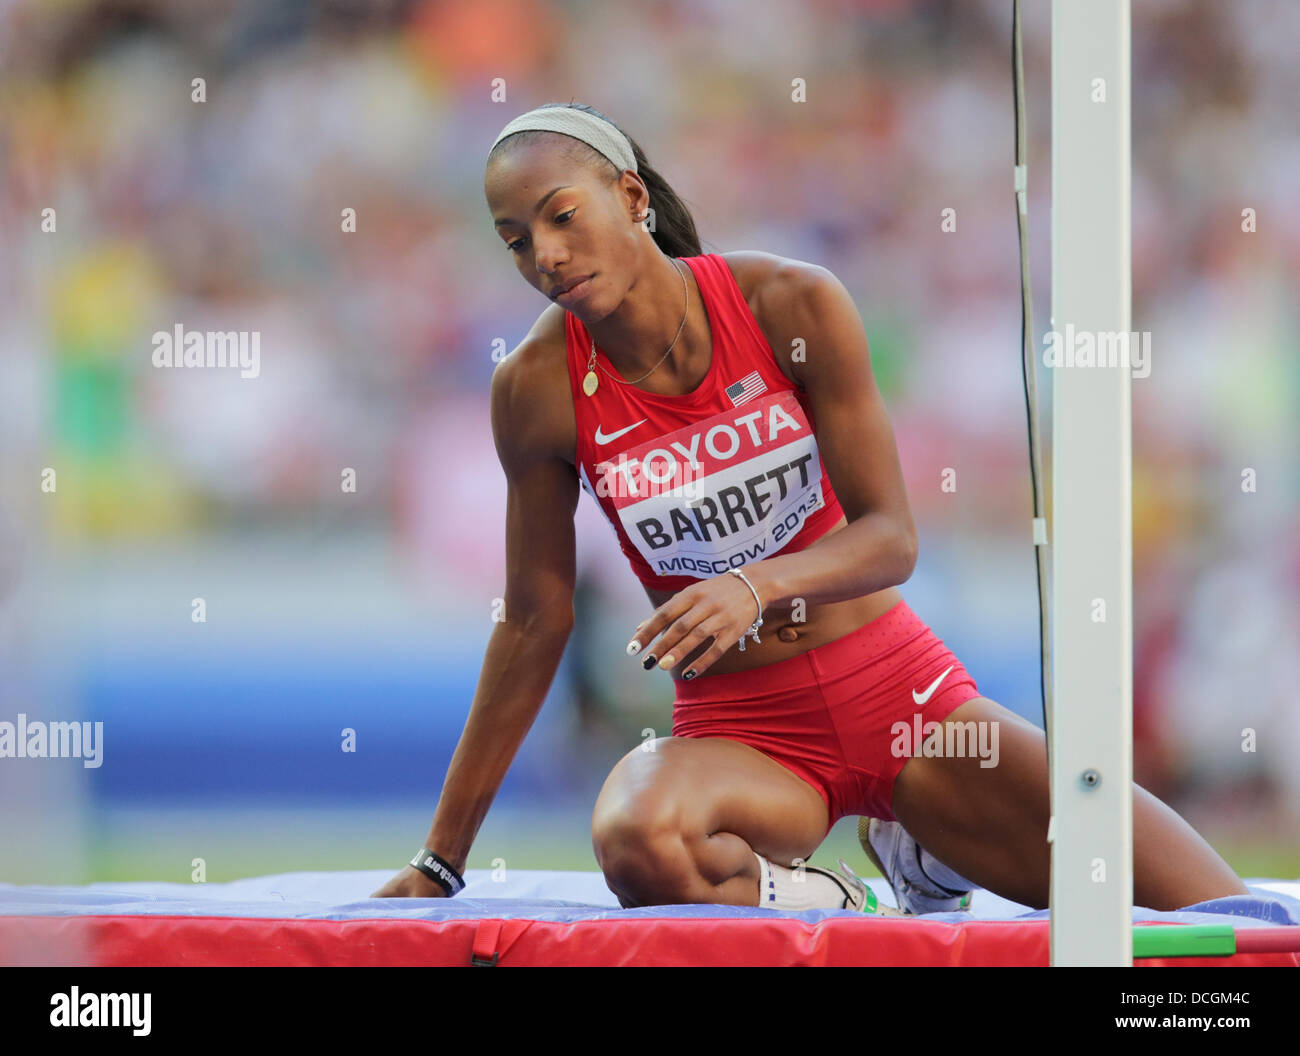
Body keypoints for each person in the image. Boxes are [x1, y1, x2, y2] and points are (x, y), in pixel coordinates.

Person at [371, 101, 1249, 914]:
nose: (545, 257)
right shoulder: (535, 389)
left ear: (630, 195)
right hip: (740, 732)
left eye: (562, 217)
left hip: (903, 696)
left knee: (1225, 918)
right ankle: (841, 900)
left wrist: (752, 585)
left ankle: (916, 852)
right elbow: (533, 619)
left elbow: (891, 536)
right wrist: (442, 861)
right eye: (515, 241)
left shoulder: (789, 302)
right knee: (636, 835)